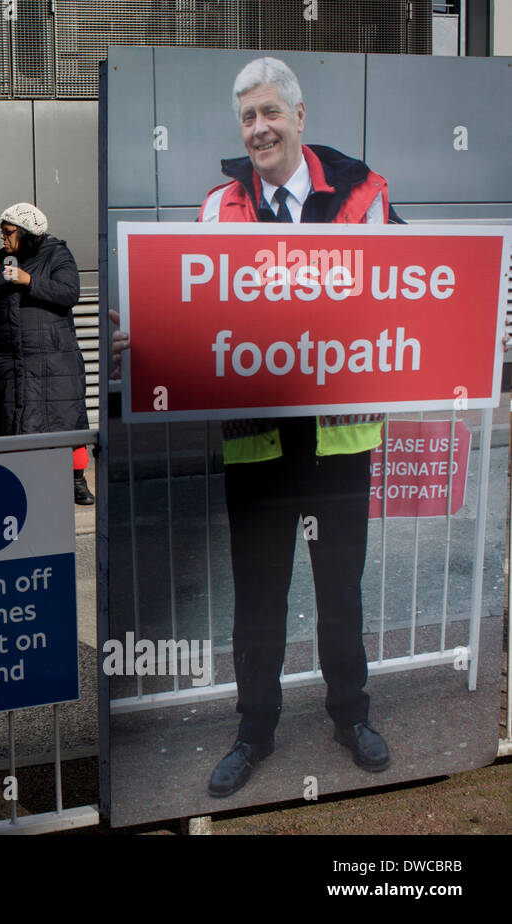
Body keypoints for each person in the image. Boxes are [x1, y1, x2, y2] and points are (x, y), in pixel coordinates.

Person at [110, 56, 399, 797]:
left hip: (338, 437)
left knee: (341, 594)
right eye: (248, 117)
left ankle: (350, 715)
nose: (260, 128)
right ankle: (254, 731)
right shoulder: (217, 209)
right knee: (258, 598)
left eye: (271, 112)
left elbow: (413, 287)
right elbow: (192, 307)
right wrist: (146, 334)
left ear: (300, 117)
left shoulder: (365, 196)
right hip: (257, 441)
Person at [0, 203, 93, 504]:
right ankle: (20, 486)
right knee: (15, 426)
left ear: (26, 233)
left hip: (54, 361)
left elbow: (69, 293)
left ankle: (75, 480)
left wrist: (29, 281)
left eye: (8, 232)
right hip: (11, 363)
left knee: (65, 423)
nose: (2, 237)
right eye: (1, 231)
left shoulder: (56, 254)